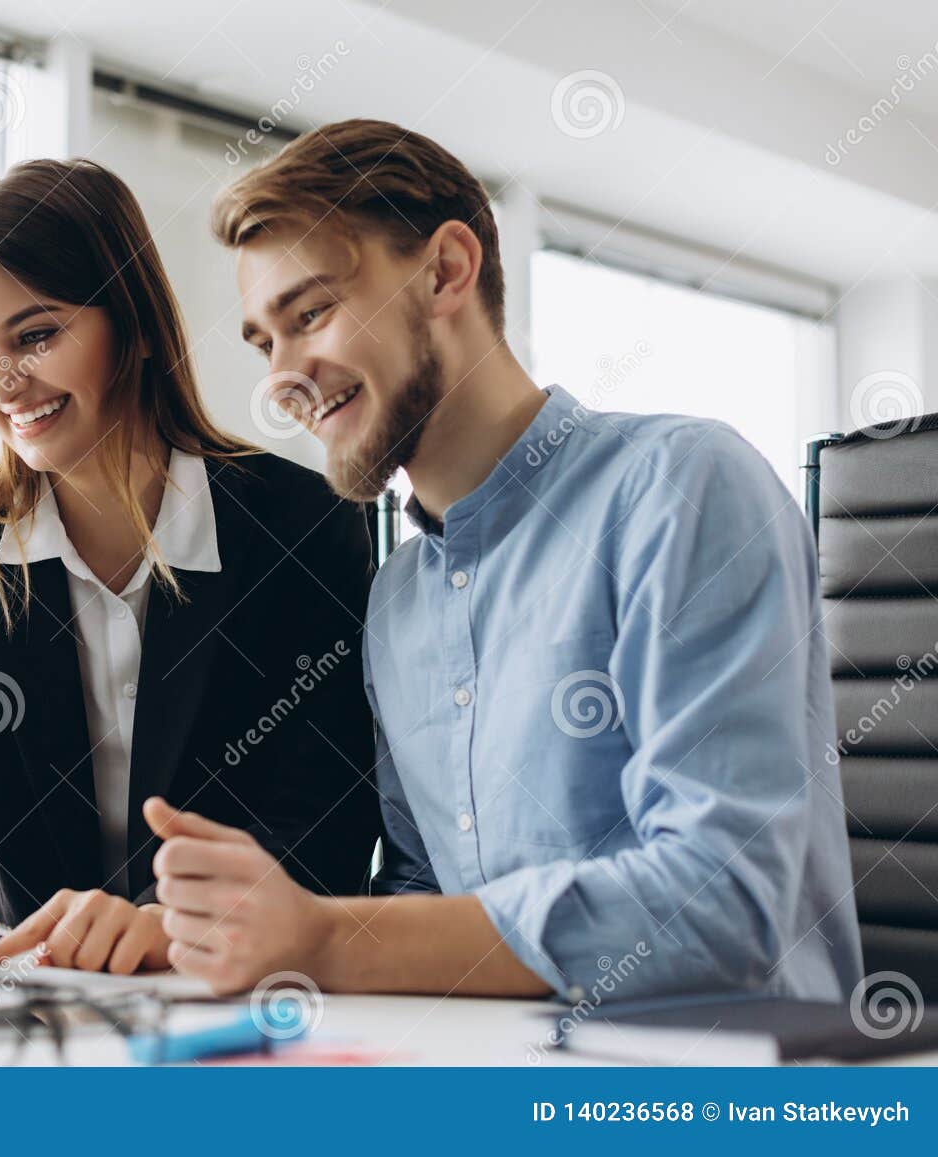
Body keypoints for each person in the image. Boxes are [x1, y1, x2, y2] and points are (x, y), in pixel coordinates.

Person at [146, 119, 862, 1003]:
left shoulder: (681, 487)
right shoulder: (399, 599)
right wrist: (205, 939)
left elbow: (724, 904)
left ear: (446, 270)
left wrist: (329, 938)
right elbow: (423, 891)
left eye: (312, 315)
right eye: (265, 342)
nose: (282, 376)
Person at [0, 157, 380, 973]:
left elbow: (328, 830)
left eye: (35, 336)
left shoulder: (302, 528)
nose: (3, 383)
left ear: (133, 326)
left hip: (209, 982)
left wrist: (175, 927)